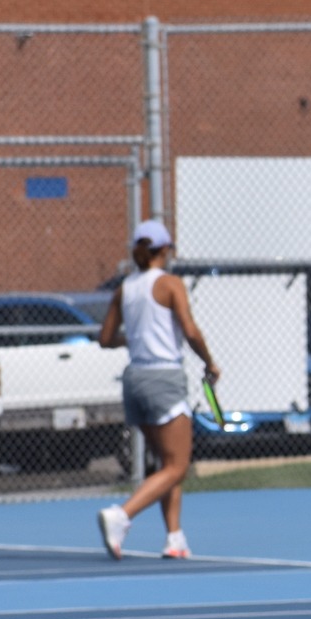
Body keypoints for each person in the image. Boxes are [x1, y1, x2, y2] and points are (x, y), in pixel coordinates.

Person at [95, 220, 219, 561]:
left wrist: (137, 338)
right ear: (164, 250)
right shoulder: (170, 284)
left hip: (134, 381)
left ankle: (174, 538)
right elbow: (190, 330)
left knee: (167, 463)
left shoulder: (125, 288)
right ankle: (121, 515)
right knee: (178, 466)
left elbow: (105, 339)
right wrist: (210, 363)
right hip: (163, 379)